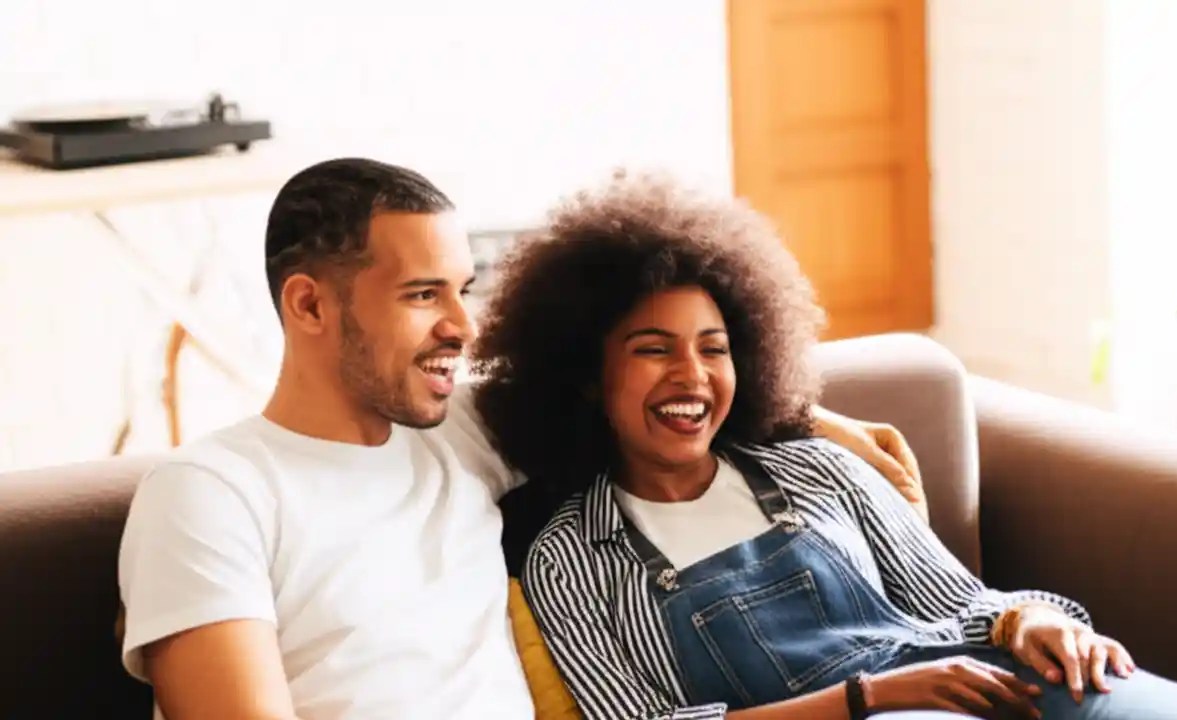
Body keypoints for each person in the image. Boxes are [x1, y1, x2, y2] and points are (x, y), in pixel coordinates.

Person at [116, 157, 922, 720]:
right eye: (423, 294)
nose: (462, 327)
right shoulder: (210, 491)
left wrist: (814, 419)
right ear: (309, 306)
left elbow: (644, 386)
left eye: (462, 291)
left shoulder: (460, 434)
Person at [469, 172, 1177, 720]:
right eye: (653, 349)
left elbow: (961, 604)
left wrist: (1039, 624)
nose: (693, 376)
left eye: (714, 347)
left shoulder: (820, 469)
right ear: (583, 377)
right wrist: (869, 699)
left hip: (989, 679)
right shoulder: (570, 555)